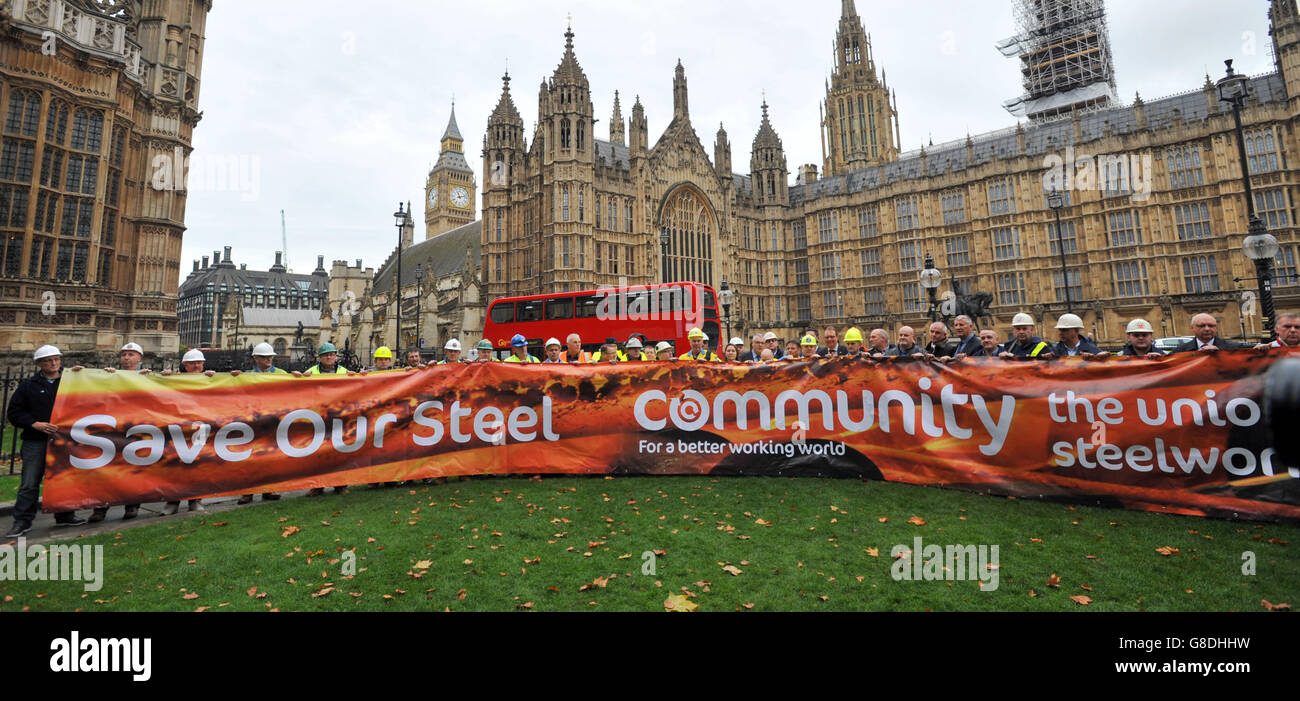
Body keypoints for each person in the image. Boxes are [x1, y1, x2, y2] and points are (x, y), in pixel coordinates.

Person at [5, 345, 87, 538]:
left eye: (56, 359)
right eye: (48, 360)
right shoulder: (28, 386)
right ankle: (22, 521)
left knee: (62, 479)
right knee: (29, 483)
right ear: (39, 364)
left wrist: (86, 374)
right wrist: (34, 424)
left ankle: (65, 514)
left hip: (63, 441)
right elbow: (14, 413)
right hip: (36, 441)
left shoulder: (70, 382)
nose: (53, 363)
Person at [89, 342, 150, 522]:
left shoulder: (147, 377)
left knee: (132, 469)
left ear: (139, 358)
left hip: (135, 430)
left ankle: (131, 505)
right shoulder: (109, 376)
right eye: (124, 354)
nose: (127, 358)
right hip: (112, 430)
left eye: (131, 354)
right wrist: (79, 373)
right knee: (107, 469)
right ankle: (100, 507)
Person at [163, 350, 214, 515]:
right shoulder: (174, 379)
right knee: (175, 466)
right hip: (178, 428)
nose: (197, 366)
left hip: (199, 428)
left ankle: (196, 500)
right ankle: (173, 502)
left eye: (199, 362)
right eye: (192, 363)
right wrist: (163, 376)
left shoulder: (209, 379)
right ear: (185, 365)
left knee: (197, 465)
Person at [236, 343, 286, 505]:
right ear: (255, 358)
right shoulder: (246, 376)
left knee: (270, 457)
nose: (269, 359)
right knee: (250, 458)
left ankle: (269, 490)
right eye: (265, 357)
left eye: (270, 356)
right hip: (254, 422)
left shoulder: (282, 374)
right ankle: (248, 492)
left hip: (272, 422)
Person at [1174, 313, 1244, 353]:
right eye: (1201, 326)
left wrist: (1220, 354)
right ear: (1192, 328)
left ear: (1216, 328)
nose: (1207, 329)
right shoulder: (1180, 351)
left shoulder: (1233, 348)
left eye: (1211, 326)